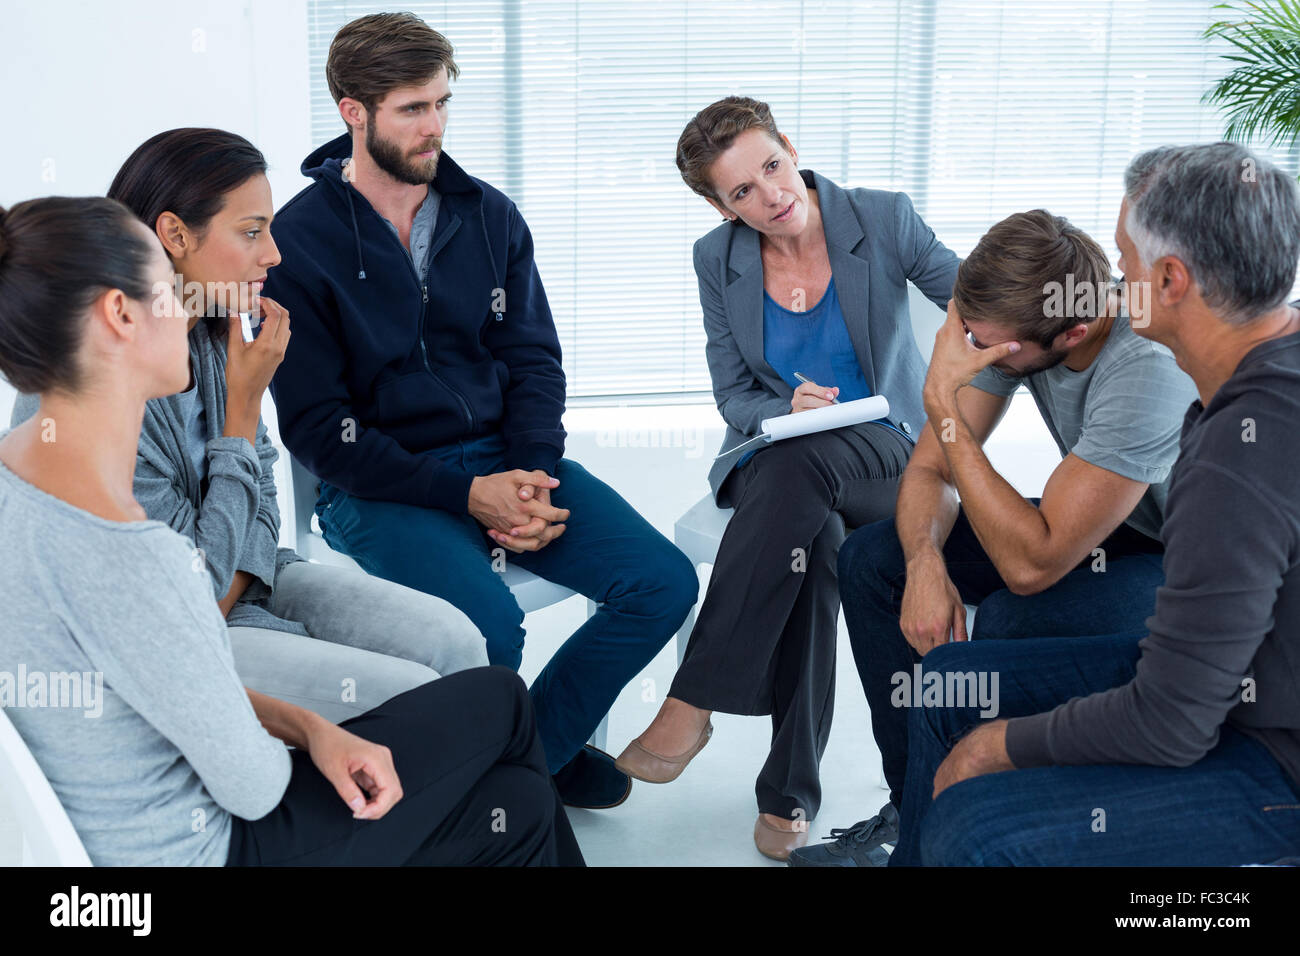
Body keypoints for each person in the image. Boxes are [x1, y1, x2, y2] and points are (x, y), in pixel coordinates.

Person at [0, 194, 584, 866]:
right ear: (120, 315)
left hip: (138, 828)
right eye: (166, 288)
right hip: (209, 847)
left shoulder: (20, 483)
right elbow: (253, 787)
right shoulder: (134, 554)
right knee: (504, 700)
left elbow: (164, 682)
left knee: (518, 806)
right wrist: (309, 738)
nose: (187, 305)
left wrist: (309, 727)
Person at [261, 12, 698, 808]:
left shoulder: (487, 214)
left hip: (507, 459)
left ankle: (527, 762)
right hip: (381, 490)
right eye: (413, 109)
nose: (436, 128)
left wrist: (528, 469)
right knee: (489, 628)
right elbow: (322, 431)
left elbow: (532, 358)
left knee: (661, 583)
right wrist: (467, 497)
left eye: (442, 103)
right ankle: (517, 783)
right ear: (351, 111)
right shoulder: (299, 241)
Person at [892, 143, 1300, 866]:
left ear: (1170, 280)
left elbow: (1173, 722)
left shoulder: (1240, 448)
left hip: (1275, 749)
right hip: (1235, 675)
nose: (1110, 283)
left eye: (1125, 258)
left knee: (975, 829)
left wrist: (1000, 745)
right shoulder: (1252, 371)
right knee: (948, 687)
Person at [9, 128, 489, 723]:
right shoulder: (94, 389)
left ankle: (497, 789)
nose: (274, 255)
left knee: (458, 642)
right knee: (413, 694)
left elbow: (262, 499)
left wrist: (235, 570)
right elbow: (191, 593)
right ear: (176, 235)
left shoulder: (216, 339)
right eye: (252, 232)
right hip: (176, 636)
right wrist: (240, 415)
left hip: (257, 575)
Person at [792, 210, 1197, 866]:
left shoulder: (1147, 366)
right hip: (1111, 522)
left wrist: (943, 403)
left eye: (988, 345)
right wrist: (925, 561)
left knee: (1011, 617)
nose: (971, 350)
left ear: (1075, 331)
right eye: (968, 332)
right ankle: (914, 809)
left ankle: (968, 826)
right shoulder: (1009, 324)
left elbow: (1032, 567)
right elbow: (929, 468)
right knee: (872, 557)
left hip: (1185, 564)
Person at [614, 95, 960, 861]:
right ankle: (789, 793)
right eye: (741, 191)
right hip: (789, 460)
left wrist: (958, 400)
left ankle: (693, 699)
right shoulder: (718, 259)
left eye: (772, 167)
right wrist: (785, 403)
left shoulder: (883, 216)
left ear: (790, 149)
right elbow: (732, 393)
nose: (770, 196)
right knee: (814, 539)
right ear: (718, 204)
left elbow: (976, 305)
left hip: (891, 453)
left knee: (800, 473)